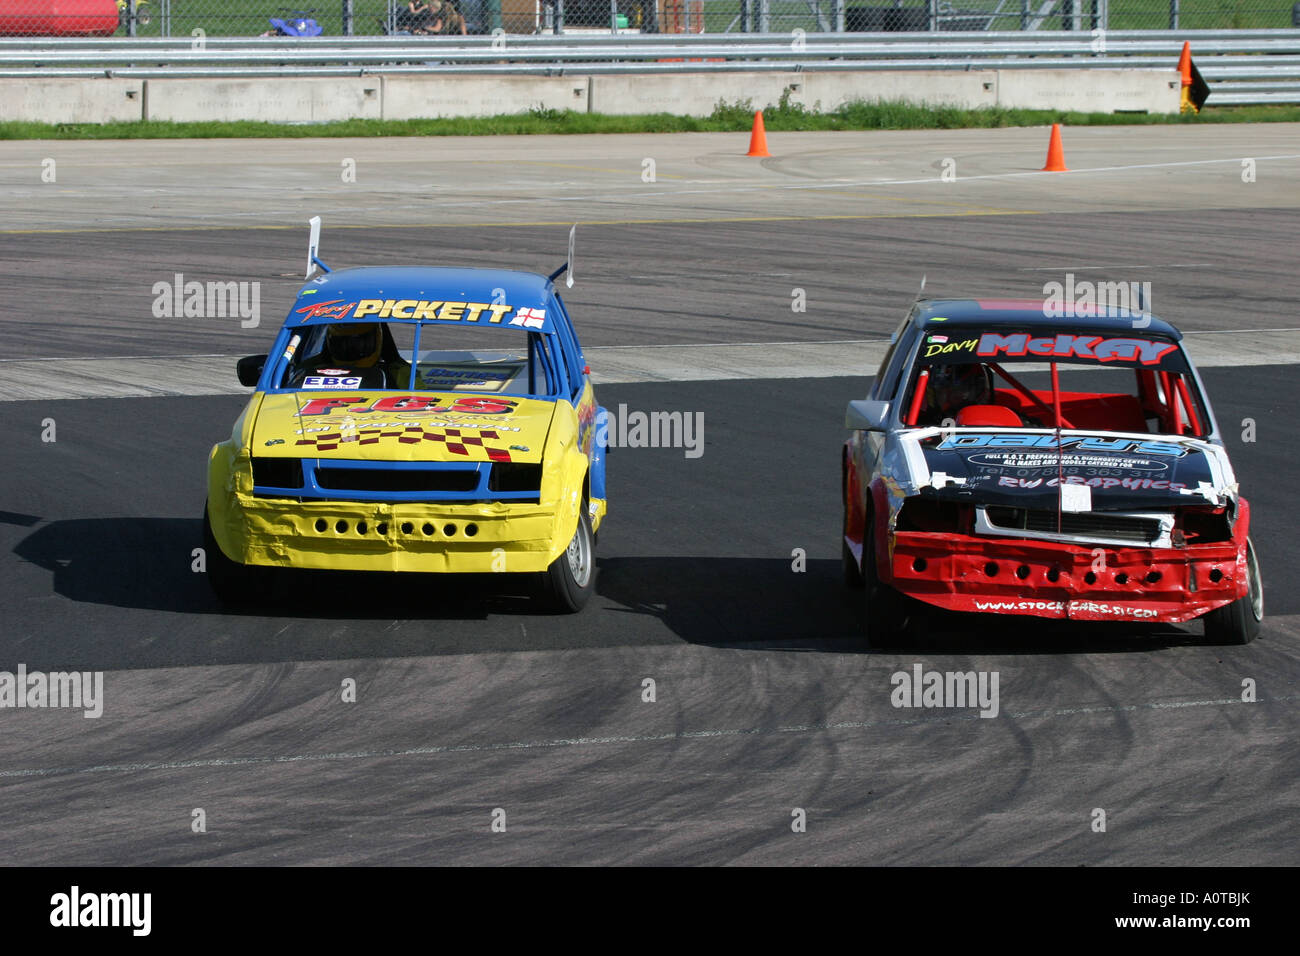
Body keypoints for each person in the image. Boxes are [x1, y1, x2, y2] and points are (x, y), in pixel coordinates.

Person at [918, 362, 992, 425]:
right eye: (941, 391)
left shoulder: (990, 419)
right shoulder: (919, 425)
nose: (964, 395)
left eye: (964, 389)